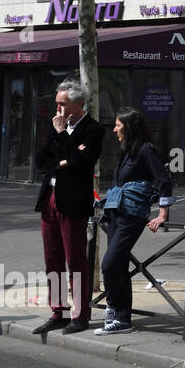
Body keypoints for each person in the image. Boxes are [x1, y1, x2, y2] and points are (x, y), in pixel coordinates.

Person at [33, 78, 105, 335]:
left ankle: (80, 314)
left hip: (73, 201)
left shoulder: (93, 130)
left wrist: (63, 137)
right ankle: (59, 311)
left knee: (75, 258)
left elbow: (80, 162)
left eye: (62, 105)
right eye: (56, 105)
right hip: (50, 196)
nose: (58, 111)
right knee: (52, 258)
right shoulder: (56, 126)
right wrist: (62, 158)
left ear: (77, 104)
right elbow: (41, 161)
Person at [95, 107, 174, 335]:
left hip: (132, 216)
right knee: (118, 266)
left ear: (129, 127)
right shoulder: (126, 151)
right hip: (115, 213)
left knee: (109, 264)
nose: (114, 129)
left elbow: (164, 181)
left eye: (118, 125)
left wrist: (162, 214)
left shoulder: (146, 151)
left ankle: (115, 310)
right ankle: (122, 318)